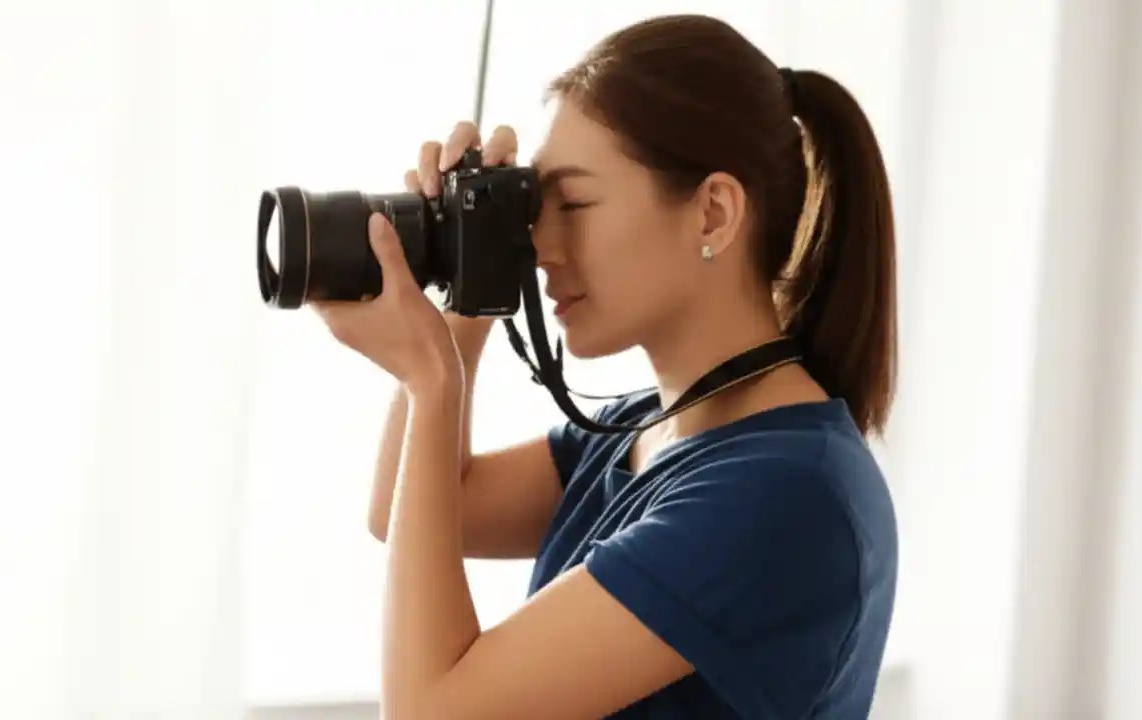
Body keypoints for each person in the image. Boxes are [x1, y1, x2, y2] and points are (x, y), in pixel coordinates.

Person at [316, 13, 898, 719]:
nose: (542, 246)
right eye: (534, 208)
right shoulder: (648, 430)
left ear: (713, 214)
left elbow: (432, 711)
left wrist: (433, 379)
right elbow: (417, 506)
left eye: (577, 203)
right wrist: (473, 276)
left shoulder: (781, 492)